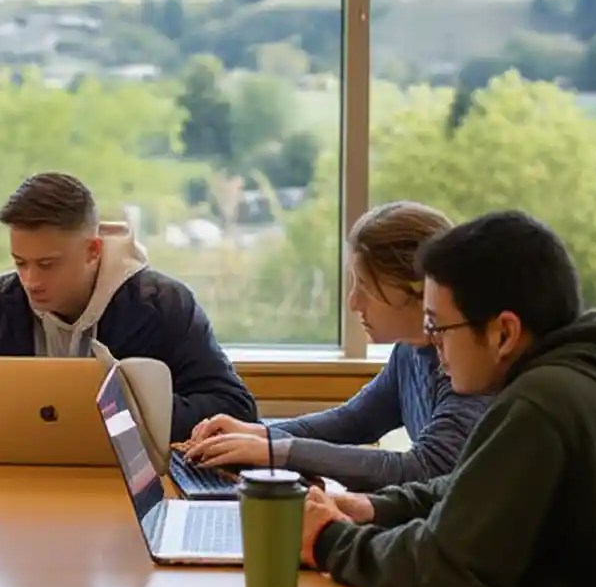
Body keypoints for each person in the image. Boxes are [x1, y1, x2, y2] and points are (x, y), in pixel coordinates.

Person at [302, 211, 596, 587]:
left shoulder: (543, 401)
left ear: (503, 332)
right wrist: (374, 508)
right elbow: (474, 487)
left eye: (438, 328)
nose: (433, 347)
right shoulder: (584, 379)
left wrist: (328, 541)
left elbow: (448, 564)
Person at [0, 172, 256, 449]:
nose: (30, 281)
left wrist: (126, 419)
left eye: (47, 264)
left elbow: (235, 408)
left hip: (125, 490)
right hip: (11, 485)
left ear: (93, 251)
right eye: (20, 263)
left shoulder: (164, 305)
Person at [183, 202, 491, 491]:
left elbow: (421, 470)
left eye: (365, 286)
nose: (353, 302)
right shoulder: (409, 352)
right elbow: (354, 421)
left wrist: (274, 450)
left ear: (418, 287)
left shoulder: (470, 365)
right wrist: (255, 434)